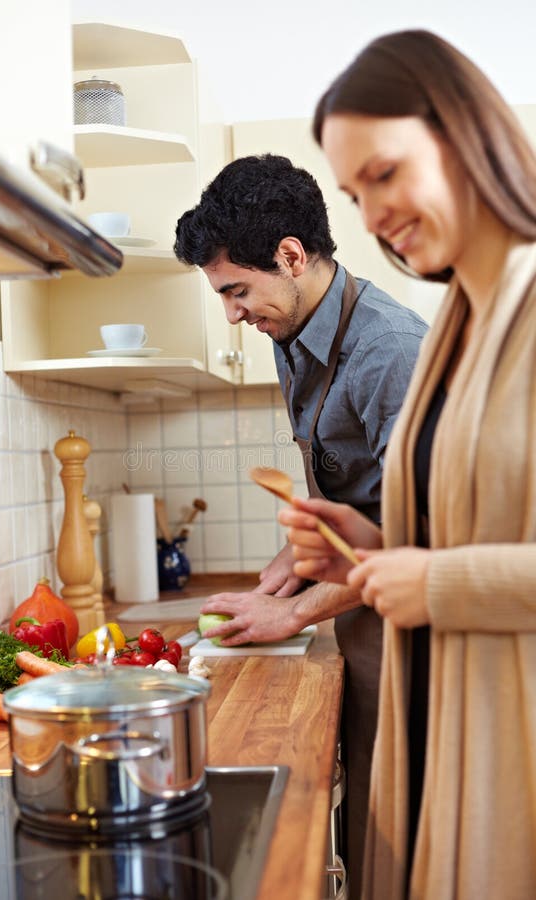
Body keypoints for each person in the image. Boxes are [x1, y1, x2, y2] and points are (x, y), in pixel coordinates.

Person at [281, 29, 536, 900]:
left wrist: (438, 584)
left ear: (463, 132)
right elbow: (476, 522)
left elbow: (457, 571)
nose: (371, 213)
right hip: (441, 727)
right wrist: (366, 537)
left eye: (384, 174)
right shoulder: (458, 324)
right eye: (356, 193)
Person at [174, 153, 428, 899]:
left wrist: (290, 611)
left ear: (291, 256)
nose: (231, 314)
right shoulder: (295, 332)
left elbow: (420, 536)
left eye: (237, 290)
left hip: (414, 638)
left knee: (398, 839)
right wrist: (296, 554)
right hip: (360, 619)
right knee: (365, 827)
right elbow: (357, 486)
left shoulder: (391, 355)